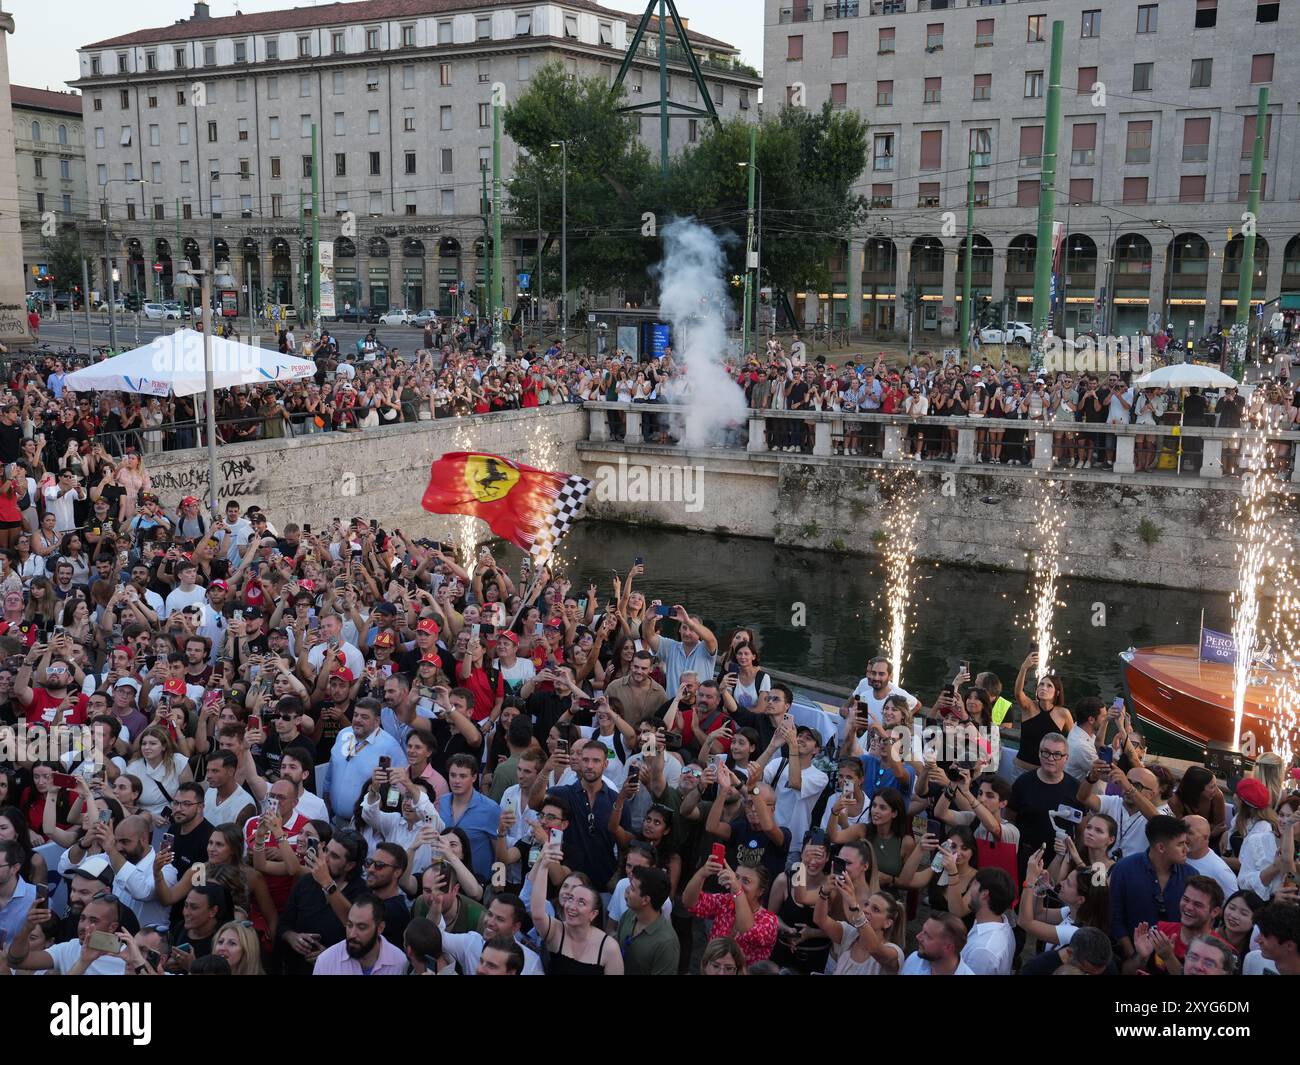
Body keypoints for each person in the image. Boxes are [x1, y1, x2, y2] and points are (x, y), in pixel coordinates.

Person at [527, 835, 623, 975]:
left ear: (593, 914)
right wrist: (544, 864)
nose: (572, 906)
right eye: (570, 898)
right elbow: (537, 913)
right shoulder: (556, 931)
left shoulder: (609, 948)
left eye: (581, 902)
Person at [1108, 815, 1193, 965]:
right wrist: (1136, 956)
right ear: (1161, 847)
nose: (1187, 849)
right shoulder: (1124, 869)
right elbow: (1116, 918)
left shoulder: (1191, 875)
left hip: (1175, 961)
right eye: (1180, 844)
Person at [1124, 874, 1225, 975]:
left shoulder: (1222, 952)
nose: (1189, 907)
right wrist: (1141, 957)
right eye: (1186, 899)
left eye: (1197, 905)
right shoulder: (1159, 931)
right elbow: (1126, 971)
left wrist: (1168, 958)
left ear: (1215, 912)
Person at [312, 894, 407, 975]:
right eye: (349, 925)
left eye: (361, 927)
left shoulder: (399, 963)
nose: (352, 934)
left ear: (380, 928)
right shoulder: (326, 962)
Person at [614, 864, 679, 976]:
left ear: (645, 900)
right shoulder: (629, 915)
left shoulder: (667, 943)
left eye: (632, 888)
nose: (627, 890)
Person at [900, 913, 975, 975]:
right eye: (922, 931)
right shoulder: (914, 959)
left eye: (927, 936)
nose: (918, 937)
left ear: (948, 947)